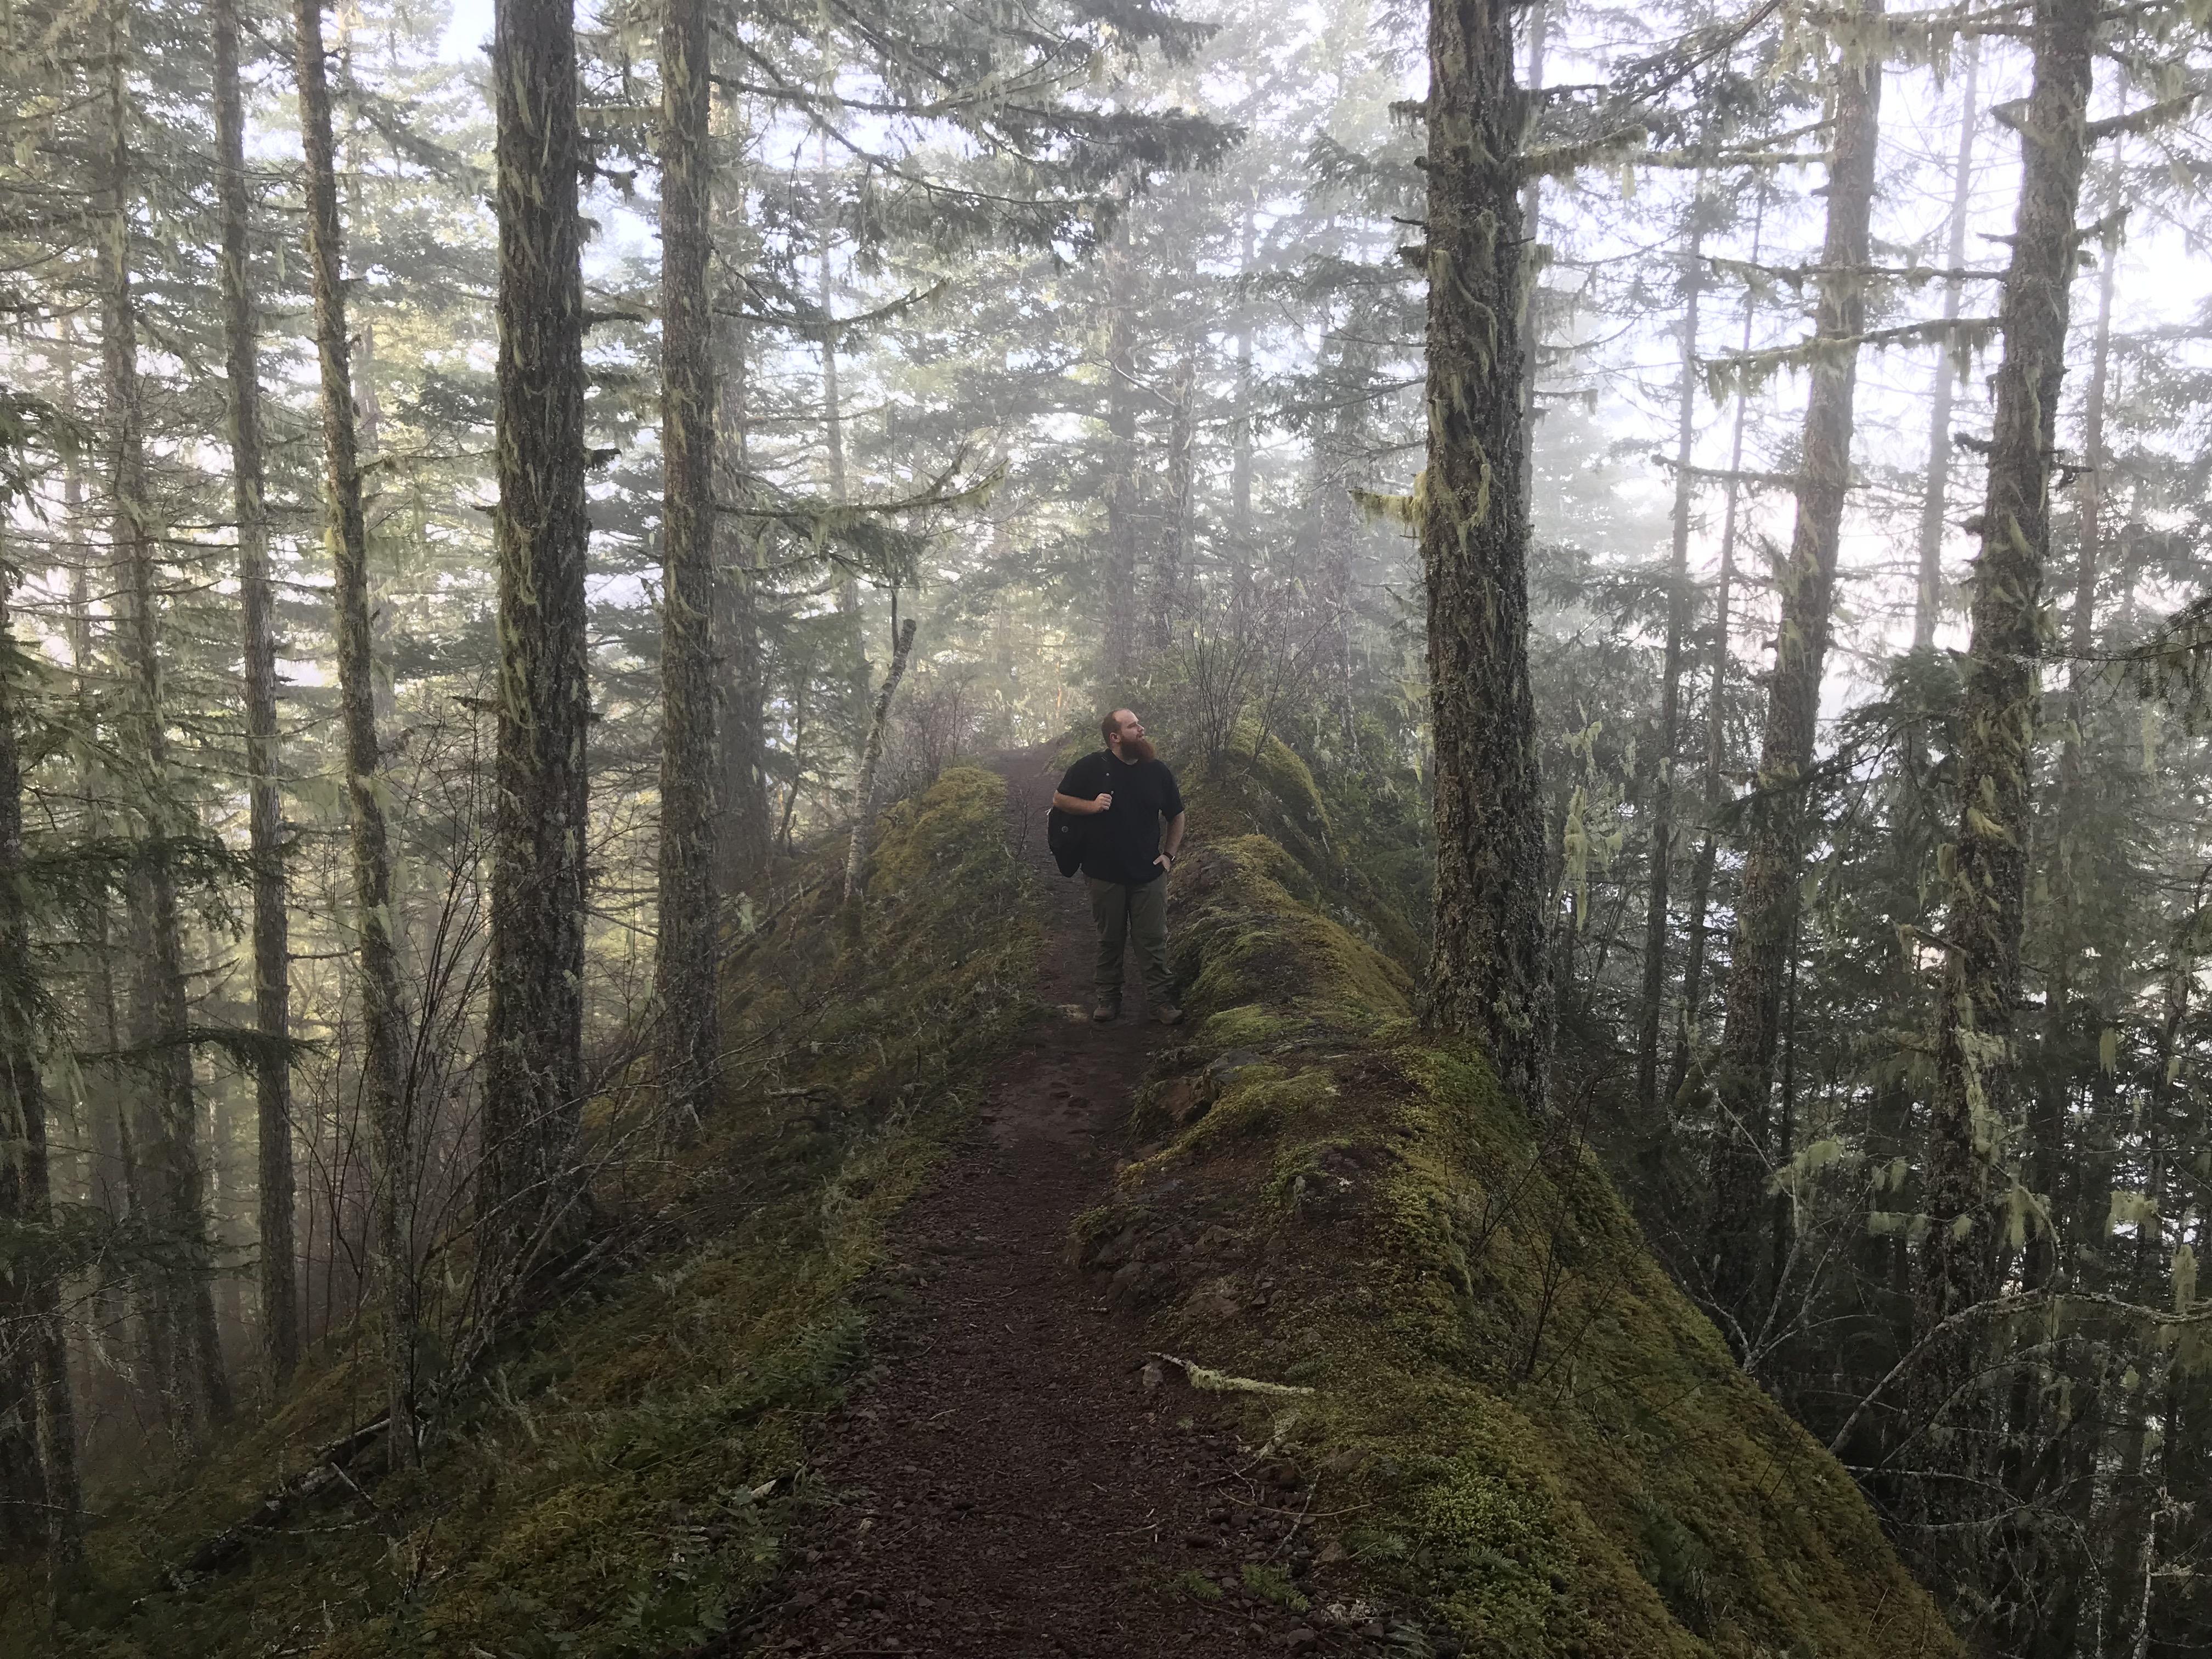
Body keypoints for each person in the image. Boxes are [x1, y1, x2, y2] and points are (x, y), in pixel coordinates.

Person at [1053, 708, 1186, 1025]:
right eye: (1133, 726)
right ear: (1115, 737)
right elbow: (1059, 800)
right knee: (1109, 940)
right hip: (1103, 873)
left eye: (1139, 723)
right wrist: (1092, 805)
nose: (1142, 729)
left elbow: (1177, 815)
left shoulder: (1157, 771)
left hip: (1149, 873)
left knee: (1152, 941)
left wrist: (1169, 855)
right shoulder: (1090, 767)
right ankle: (1108, 1000)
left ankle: (1160, 1002)